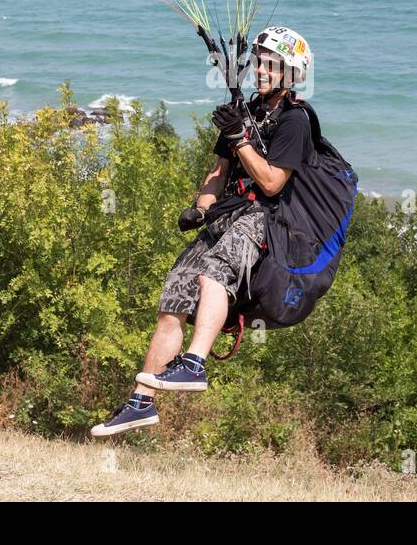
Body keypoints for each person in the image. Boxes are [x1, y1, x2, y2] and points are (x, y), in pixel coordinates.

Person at [91, 26, 314, 436]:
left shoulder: (296, 121)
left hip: (263, 219)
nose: (261, 69)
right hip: (226, 214)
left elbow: (271, 183)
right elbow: (219, 171)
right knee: (174, 295)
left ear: (290, 74)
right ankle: (142, 401)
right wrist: (200, 207)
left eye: (271, 64)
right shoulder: (245, 112)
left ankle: (194, 363)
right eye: (260, 61)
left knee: (215, 272)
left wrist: (239, 138)